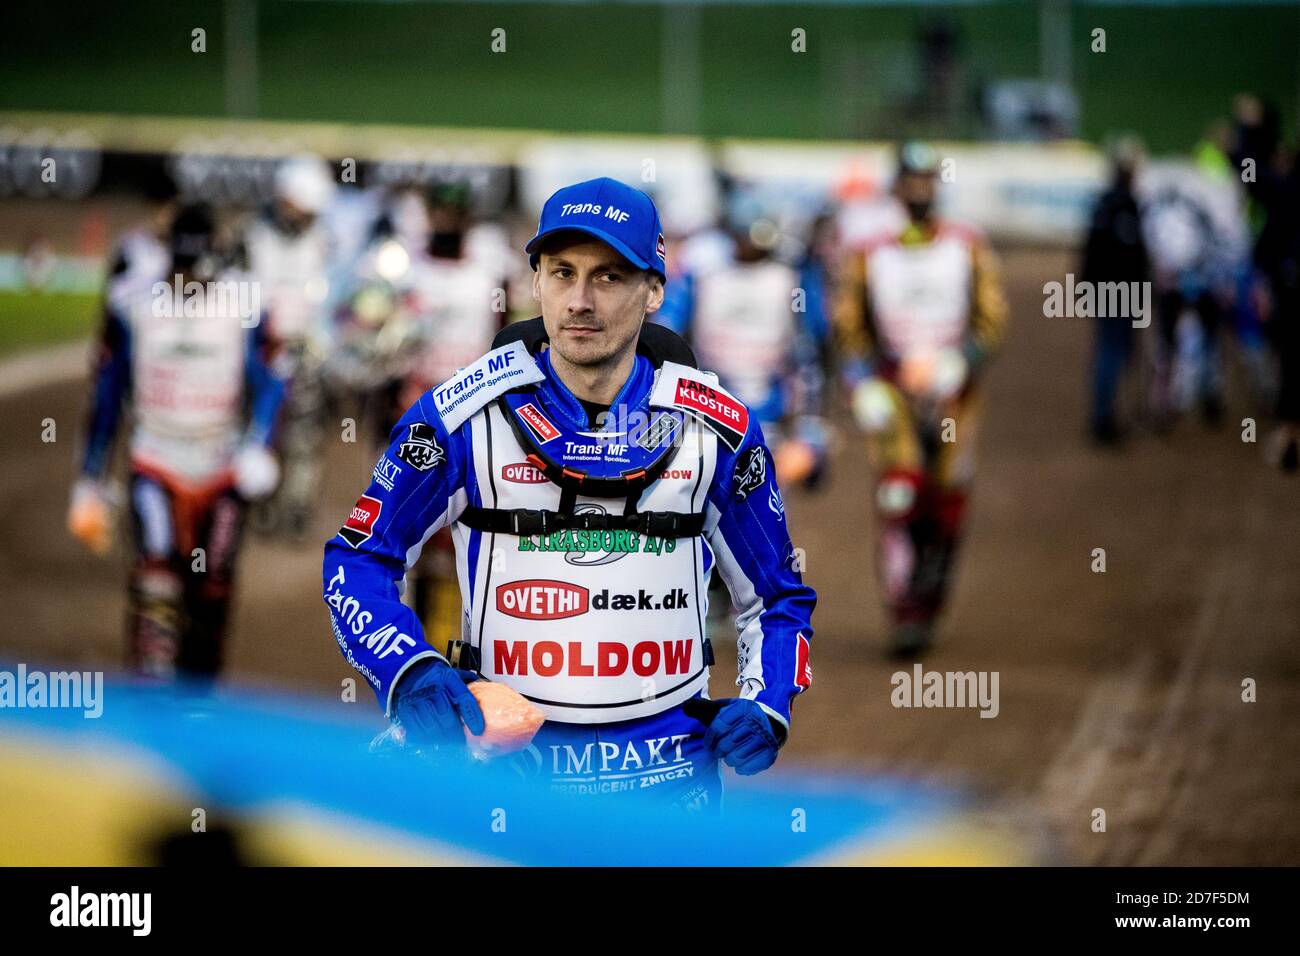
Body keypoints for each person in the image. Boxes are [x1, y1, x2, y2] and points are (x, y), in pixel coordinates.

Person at [323, 177, 815, 811]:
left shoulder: (717, 429)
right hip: (509, 779)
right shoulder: (461, 416)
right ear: (535, 282)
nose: (580, 300)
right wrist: (409, 669)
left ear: (655, 290)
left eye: (609, 276)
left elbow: (777, 596)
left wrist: (767, 703)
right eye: (562, 272)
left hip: (669, 786)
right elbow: (358, 559)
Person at [69, 204, 286, 681]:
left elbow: (271, 382)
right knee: (156, 582)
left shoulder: (244, 307)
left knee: (213, 591)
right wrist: (90, 478)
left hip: (223, 467)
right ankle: (152, 701)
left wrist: (257, 444)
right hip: (156, 462)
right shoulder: (132, 305)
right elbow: (107, 395)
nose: (189, 283)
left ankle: (200, 702)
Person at [834, 141, 1008, 655]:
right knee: (900, 491)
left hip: (956, 394)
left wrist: (966, 359)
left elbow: (993, 320)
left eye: (927, 181)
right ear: (896, 188)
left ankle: (932, 595)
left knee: (948, 501)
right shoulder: (869, 252)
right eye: (910, 182)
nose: (919, 191)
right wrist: (862, 381)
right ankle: (903, 609)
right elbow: (849, 327)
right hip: (893, 388)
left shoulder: (968, 245)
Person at [243, 155, 336, 540]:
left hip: (305, 350)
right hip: (260, 352)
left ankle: (297, 505)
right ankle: (260, 499)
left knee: (304, 433)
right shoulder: (252, 238)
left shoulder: (321, 240)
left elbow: (329, 297)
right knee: (259, 426)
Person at [1081, 136, 1150, 445]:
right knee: (1113, 354)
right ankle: (1103, 419)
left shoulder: (1105, 204)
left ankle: (1105, 415)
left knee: (1111, 354)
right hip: (1119, 294)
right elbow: (1132, 257)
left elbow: (1090, 251)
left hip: (1108, 292)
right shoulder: (1123, 205)